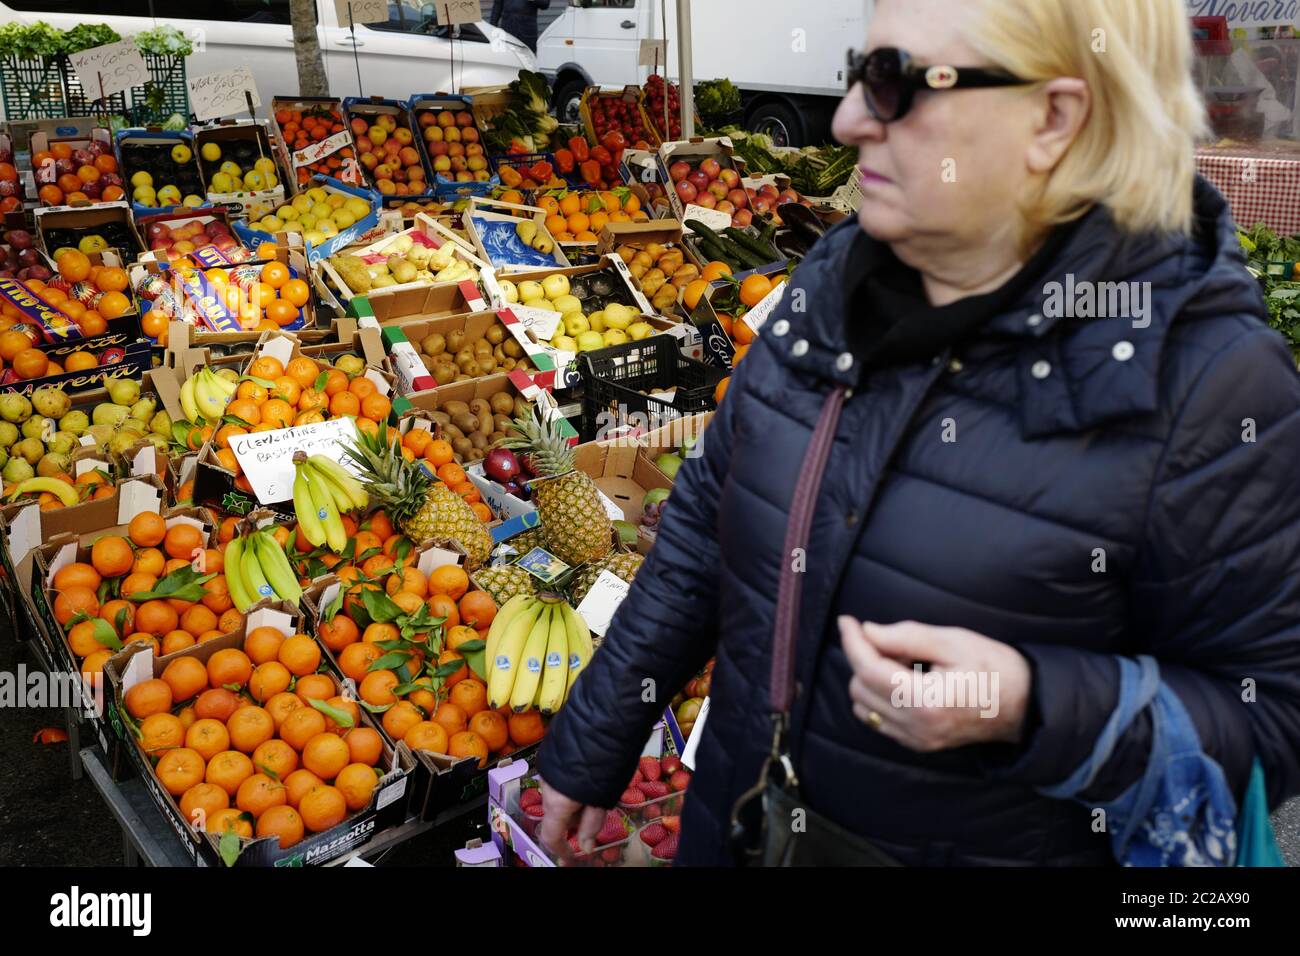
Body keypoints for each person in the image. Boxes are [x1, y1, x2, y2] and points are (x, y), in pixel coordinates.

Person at [535, 0, 1300, 867]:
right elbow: (704, 530)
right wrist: (600, 732)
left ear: (1054, 117)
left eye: (898, 84)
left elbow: (1271, 714)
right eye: (860, 76)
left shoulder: (1209, 380)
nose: (853, 118)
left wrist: (1031, 706)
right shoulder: (832, 279)